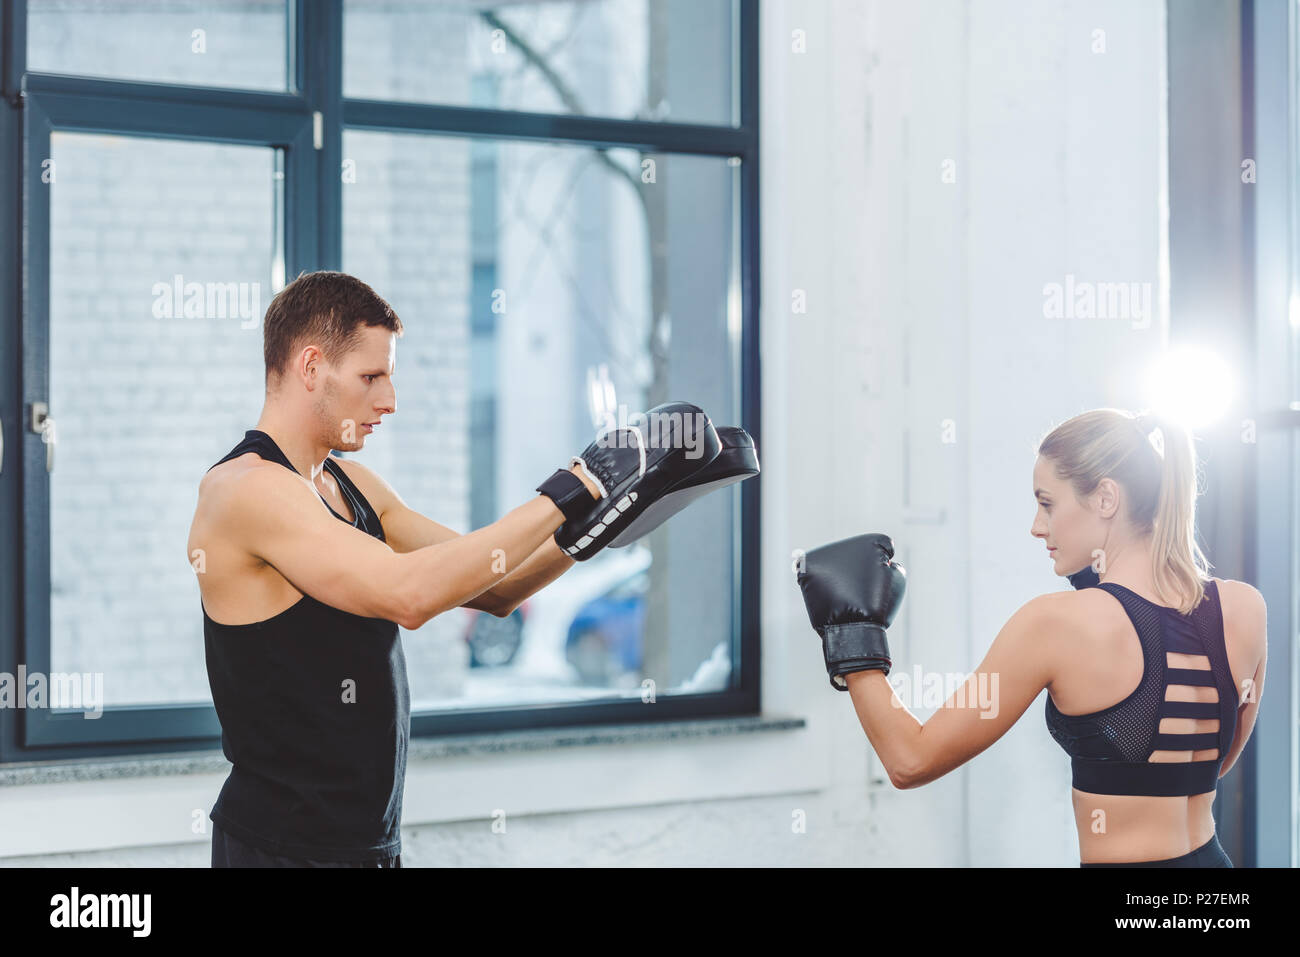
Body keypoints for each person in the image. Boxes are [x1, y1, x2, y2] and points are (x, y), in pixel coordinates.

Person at [189, 270, 726, 867]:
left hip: (366, 845)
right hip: (278, 849)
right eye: (371, 377)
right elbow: (408, 595)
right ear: (310, 367)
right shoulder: (245, 491)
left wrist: (605, 517)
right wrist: (576, 484)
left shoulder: (349, 484)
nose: (389, 400)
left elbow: (496, 586)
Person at [795, 408, 1267, 867]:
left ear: (1106, 499)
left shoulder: (1055, 624)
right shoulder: (1243, 608)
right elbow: (1209, 763)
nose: (1037, 526)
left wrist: (852, 635)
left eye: (1047, 503)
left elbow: (910, 760)